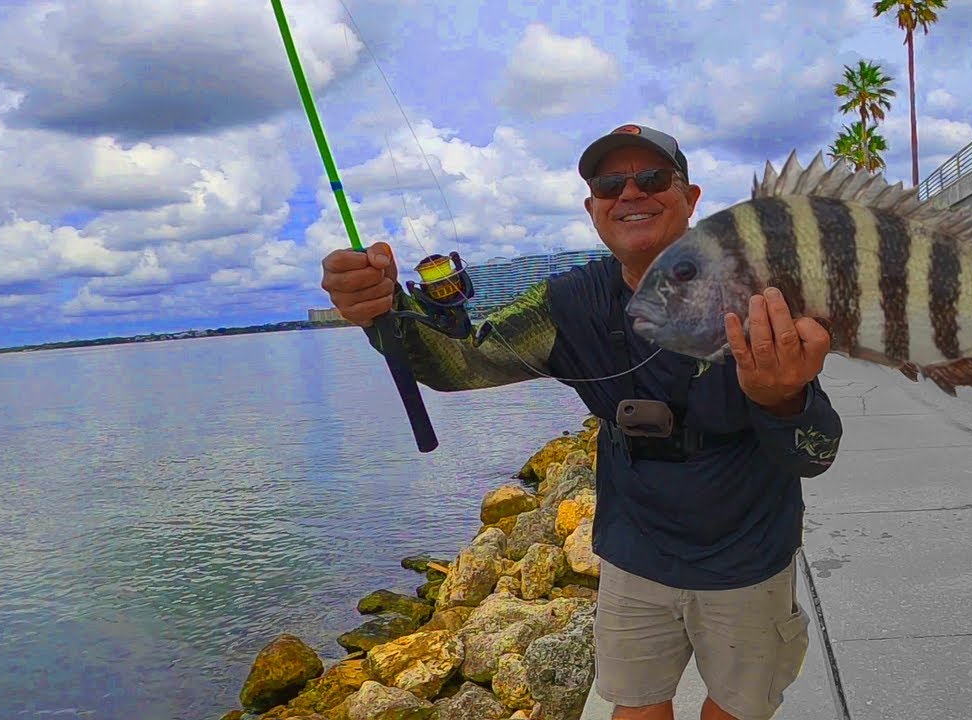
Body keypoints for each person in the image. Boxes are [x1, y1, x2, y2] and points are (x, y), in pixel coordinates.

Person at [320, 124, 844, 720]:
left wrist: (782, 399)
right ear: (592, 207)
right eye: (608, 183)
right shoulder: (566, 304)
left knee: (735, 710)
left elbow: (815, 453)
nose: (630, 193)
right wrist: (384, 313)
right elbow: (460, 362)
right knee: (636, 705)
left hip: (747, 553)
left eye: (651, 178)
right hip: (634, 550)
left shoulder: (758, 293)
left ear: (691, 198)